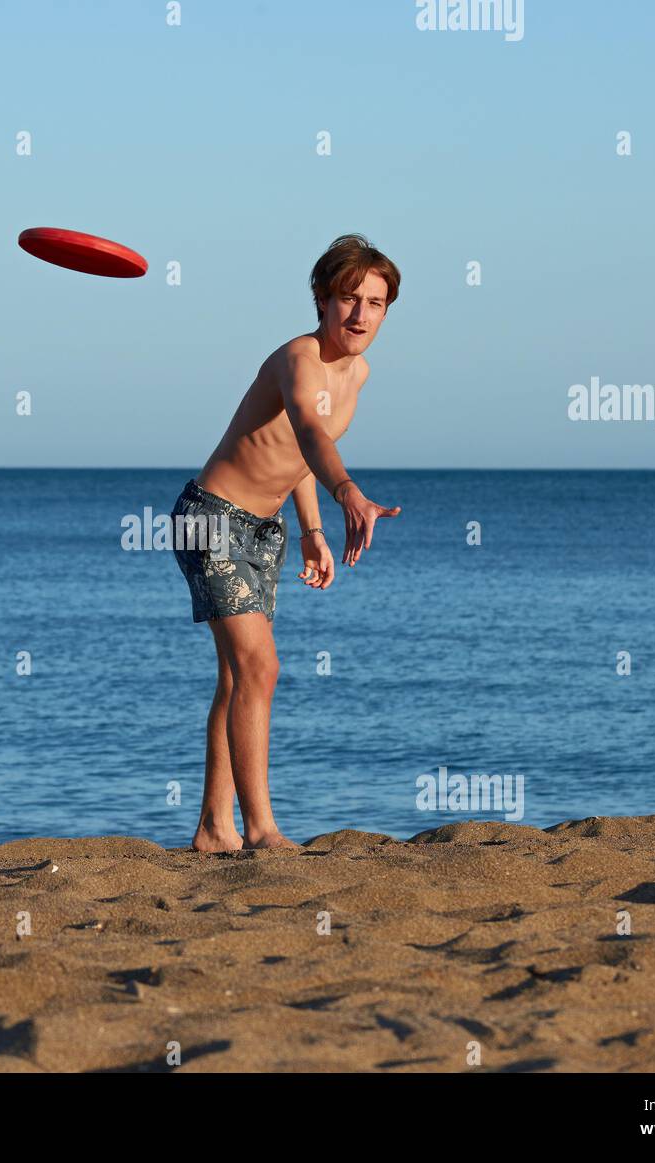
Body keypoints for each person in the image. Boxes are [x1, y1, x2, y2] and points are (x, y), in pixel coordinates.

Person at [170, 234, 402, 851]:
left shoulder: (360, 374)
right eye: (348, 299)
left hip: (263, 530)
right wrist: (347, 492)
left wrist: (311, 531)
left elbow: (299, 455)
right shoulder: (299, 359)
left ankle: (214, 829)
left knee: (235, 677)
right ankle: (261, 830)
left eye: (375, 303)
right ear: (322, 300)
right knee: (260, 667)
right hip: (211, 519)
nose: (360, 315)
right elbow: (310, 430)